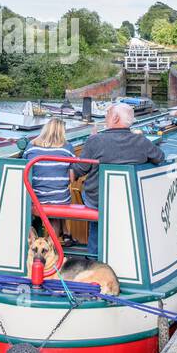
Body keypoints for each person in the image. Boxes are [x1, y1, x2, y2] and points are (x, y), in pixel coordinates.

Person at [73, 102, 165, 254]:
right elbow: (160, 157)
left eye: (107, 114)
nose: (105, 117)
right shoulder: (141, 142)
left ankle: (94, 254)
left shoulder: (95, 140)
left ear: (115, 118)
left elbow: (80, 170)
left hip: (98, 200)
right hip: (128, 200)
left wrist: (90, 142)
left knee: (92, 198)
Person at [22, 117, 76, 242]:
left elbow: (25, 172)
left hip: (35, 198)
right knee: (56, 212)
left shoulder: (31, 147)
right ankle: (53, 246)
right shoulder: (67, 148)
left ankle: (34, 243)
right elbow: (72, 179)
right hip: (59, 199)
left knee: (32, 200)